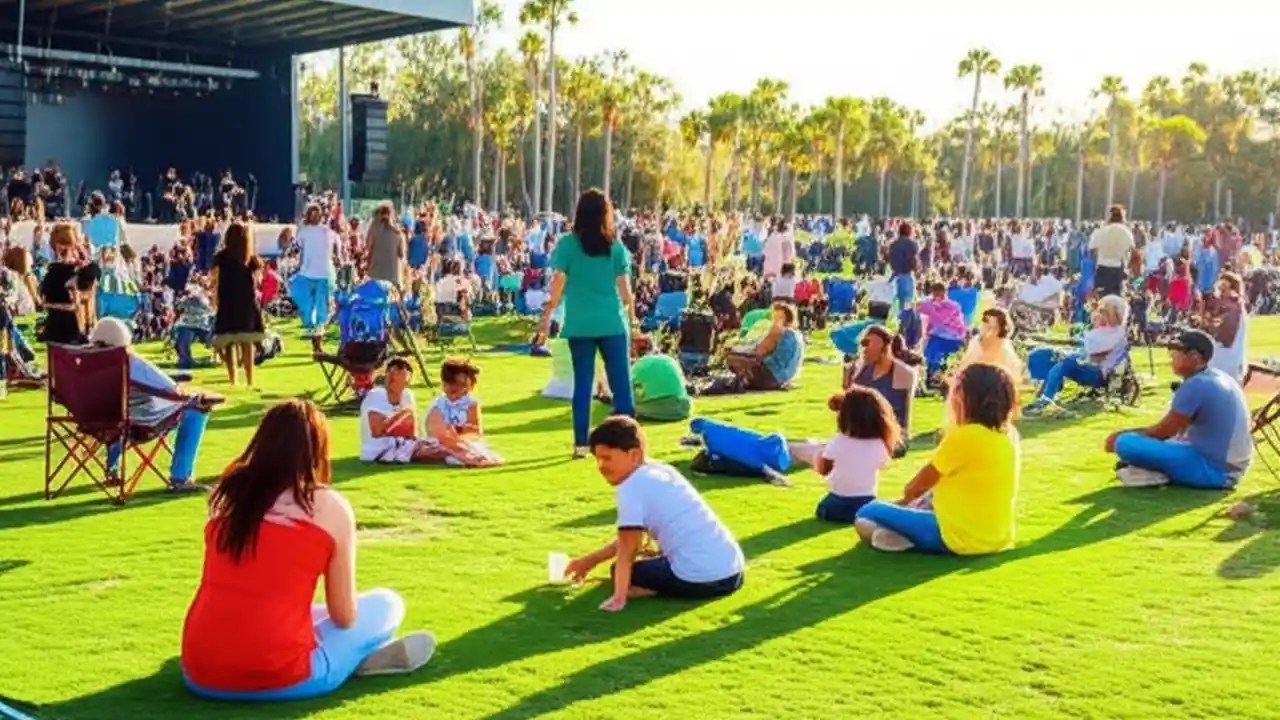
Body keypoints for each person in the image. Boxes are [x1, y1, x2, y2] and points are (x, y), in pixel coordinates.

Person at [182, 399, 434, 701]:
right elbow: (344, 616)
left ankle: (344, 658)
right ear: (317, 448)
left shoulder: (227, 496)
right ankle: (355, 662)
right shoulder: (327, 505)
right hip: (281, 676)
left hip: (198, 670)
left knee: (296, 610)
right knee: (386, 603)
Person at [563, 417, 744, 611]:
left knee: (620, 570)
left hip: (698, 579)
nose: (601, 466)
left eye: (607, 458)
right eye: (597, 459)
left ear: (634, 455)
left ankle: (647, 590)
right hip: (733, 573)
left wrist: (619, 597)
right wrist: (589, 561)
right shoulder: (663, 471)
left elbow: (628, 548)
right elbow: (631, 539)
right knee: (646, 560)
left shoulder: (631, 487)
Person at [854, 364, 1020, 554]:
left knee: (868, 511)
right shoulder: (1010, 434)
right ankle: (898, 535)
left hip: (955, 535)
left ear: (965, 397)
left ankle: (903, 536)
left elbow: (916, 487)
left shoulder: (966, 435)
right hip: (998, 537)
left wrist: (902, 502)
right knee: (918, 507)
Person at [538, 189, 637, 459]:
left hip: (580, 323)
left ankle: (581, 444)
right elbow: (625, 289)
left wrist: (547, 314)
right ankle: (629, 443)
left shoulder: (568, 245)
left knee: (583, 384)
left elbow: (558, 283)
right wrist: (632, 313)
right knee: (621, 383)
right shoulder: (615, 247)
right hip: (611, 322)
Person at [1105, 330, 1252, 489]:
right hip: (1229, 467)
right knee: (1157, 444)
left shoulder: (1196, 385)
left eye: (1176, 354)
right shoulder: (1218, 376)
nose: (1171, 359)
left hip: (1215, 471)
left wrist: (1120, 435)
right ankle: (1152, 470)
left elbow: (1165, 431)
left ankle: (1155, 473)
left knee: (1125, 443)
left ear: (1194, 357)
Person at [89, 318, 218, 493]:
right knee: (196, 410)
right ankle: (181, 477)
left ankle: (112, 468)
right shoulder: (128, 361)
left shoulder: (84, 362)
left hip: (94, 419)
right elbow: (169, 388)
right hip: (138, 422)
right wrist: (192, 396)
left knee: (117, 415)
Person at [790, 386, 900, 523]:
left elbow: (823, 470)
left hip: (836, 504)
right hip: (866, 503)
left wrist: (818, 456)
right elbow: (881, 464)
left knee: (825, 505)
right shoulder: (880, 444)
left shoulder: (839, 441)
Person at [1024, 294, 1129, 415]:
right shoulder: (1098, 330)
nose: (1098, 314)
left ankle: (1046, 399)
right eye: (1099, 311)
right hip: (1082, 362)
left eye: (1103, 312)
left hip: (1097, 374)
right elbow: (1079, 344)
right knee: (1041, 354)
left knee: (1065, 362)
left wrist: (1073, 355)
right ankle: (1050, 387)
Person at [358, 358, 452, 464]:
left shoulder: (407, 395)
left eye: (399, 371)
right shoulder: (376, 395)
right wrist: (403, 418)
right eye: (390, 371)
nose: (393, 375)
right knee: (438, 452)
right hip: (379, 447)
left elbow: (413, 432)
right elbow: (378, 431)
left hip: (404, 442)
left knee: (440, 444)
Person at [843, 325, 917, 457]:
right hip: (861, 431)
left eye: (867, 344)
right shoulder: (860, 370)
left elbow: (902, 413)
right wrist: (847, 384)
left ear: (883, 346)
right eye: (862, 344)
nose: (863, 350)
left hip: (888, 433)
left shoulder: (902, 373)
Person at [210, 222, 265, 387]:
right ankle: (249, 380)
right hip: (246, 304)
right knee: (247, 344)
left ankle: (233, 379)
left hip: (227, 303)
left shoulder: (220, 257)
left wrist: (215, 301)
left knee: (227, 344)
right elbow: (258, 281)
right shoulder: (251, 259)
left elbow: (215, 280)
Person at [424, 357, 503, 467]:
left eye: (463, 385)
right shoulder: (438, 404)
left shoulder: (471, 403)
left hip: (465, 441)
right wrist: (458, 432)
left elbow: (475, 430)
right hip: (441, 444)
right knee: (450, 451)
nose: (458, 388)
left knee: (477, 450)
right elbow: (438, 433)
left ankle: (473, 458)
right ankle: (468, 459)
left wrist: (460, 432)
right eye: (453, 383)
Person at [294, 204, 341, 352]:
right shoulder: (303, 232)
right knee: (308, 310)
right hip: (307, 274)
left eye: (317, 214)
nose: (314, 216)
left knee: (322, 311)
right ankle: (314, 337)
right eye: (311, 214)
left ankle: (318, 342)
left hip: (324, 274)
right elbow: (298, 248)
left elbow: (338, 252)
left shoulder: (329, 232)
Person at [726, 301, 804, 391]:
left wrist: (739, 349)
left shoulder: (778, 330)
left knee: (732, 356)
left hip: (772, 376)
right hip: (785, 378)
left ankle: (742, 380)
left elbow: (760, 351)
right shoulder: (796, 334)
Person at [39, 221, 93, 345]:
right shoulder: (72, 272)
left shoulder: (53, 272)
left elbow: (45, 300)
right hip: (67, 326)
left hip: (58, 326)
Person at [955, 307, 1022, 383]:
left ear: (1001, 329)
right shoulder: (975, 341)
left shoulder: (1004, 346)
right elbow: (966, 363)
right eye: (985, 325)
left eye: (993, 328)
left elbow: (1012, 374)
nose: (988, 331)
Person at [1202, 272, 1247, 383]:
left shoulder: (1233, 307)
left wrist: (1210, 327)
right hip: (1226, 354)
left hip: (1226, 356)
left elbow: (1225, 336)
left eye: (1224, 289)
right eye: (1219, 289)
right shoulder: (1229, 307)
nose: (1220, 294)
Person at [917, 281, 967, 379]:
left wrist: (933, 306)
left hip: (952, 337)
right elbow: (918, 306)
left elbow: (941, 319)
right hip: (939, 336)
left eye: (939, 293)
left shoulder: (952, 305)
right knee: (930, 352)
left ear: (945, 293)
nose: (937, 296)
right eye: (935, 294)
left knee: (938, 355)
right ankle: (932, 375)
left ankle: (937, 375)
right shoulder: (932, 303)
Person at [1089, 205, 1135, 297]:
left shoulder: (1100, 231)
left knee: (1099, 299)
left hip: (1102, 268)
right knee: (1116, 300)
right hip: (1117, 269)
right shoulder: (1126, 232)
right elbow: (1132, 251)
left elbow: (1092, 250)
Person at [366, 202, 406, 288]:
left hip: (375, 274)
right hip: (393, 276)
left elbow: (368, 246)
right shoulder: (398, 233)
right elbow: (402, 255)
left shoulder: (374, 228)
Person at [887, 222, 920, 309]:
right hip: (906, 277)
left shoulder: (893, 245)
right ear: (909, 232)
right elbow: (914, 261)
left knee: (894, 307)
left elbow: (889, 260)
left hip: (894, 277)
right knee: (906, 307)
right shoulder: (912, 244)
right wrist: (917, 272)